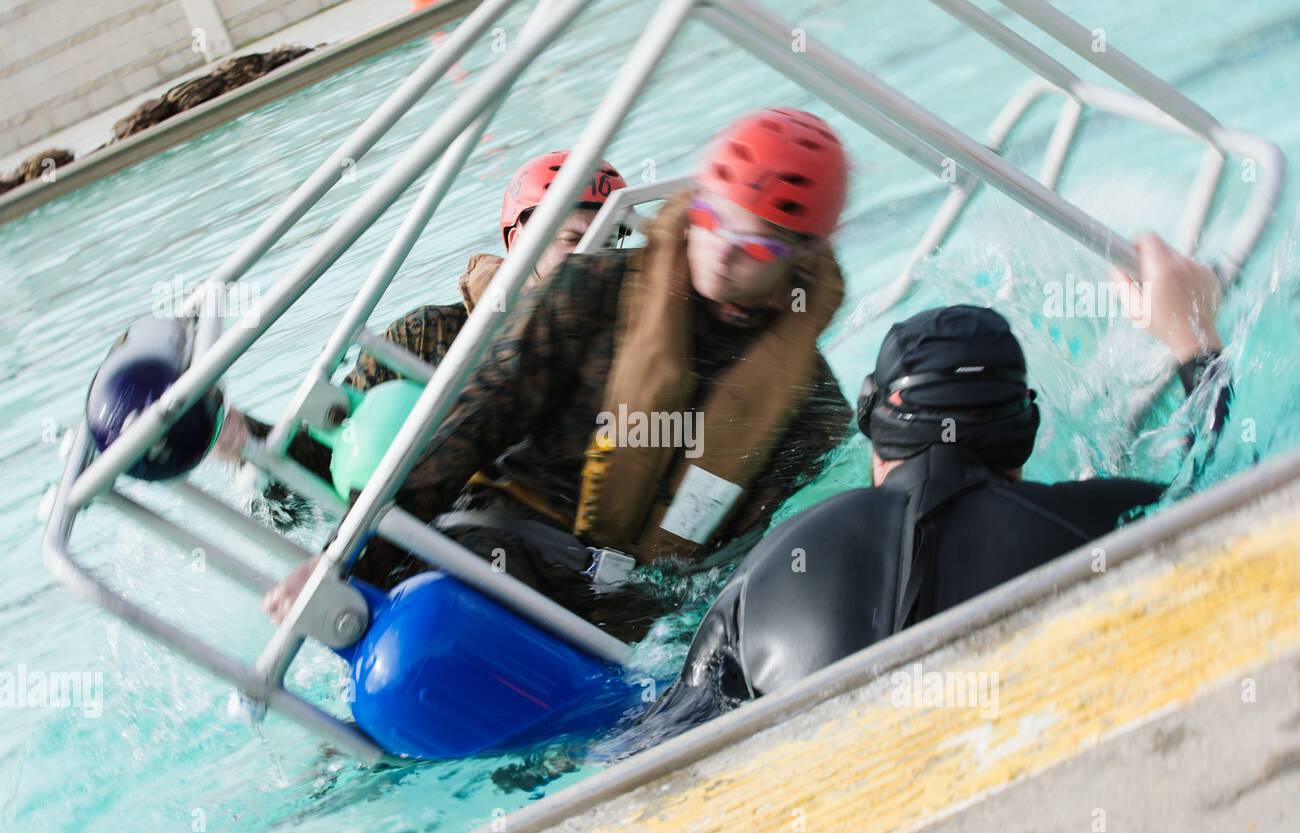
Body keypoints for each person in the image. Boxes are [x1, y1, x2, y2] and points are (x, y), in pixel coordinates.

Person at [263, 107, 858, 642]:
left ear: (799, 258)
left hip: (636, 607)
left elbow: (751, 551)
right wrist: (341, 560)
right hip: (500, 547)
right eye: (710, 220)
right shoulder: (586, 294)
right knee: (438, 638)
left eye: (754, 248)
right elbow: (464, 430)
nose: (721, 252)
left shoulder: (813, 406)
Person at [652, 232, 1232, 720]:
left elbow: (663, 751)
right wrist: (1195, 337)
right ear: (1022, 432)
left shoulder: (763, 575)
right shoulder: (1097, 521)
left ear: (873, 426)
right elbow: (1238, 500)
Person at [214, 150, 629, 463]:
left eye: (608, 243)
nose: (593, 261)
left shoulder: (638, 338)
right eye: (573, 241)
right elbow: (332, 453)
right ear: (518, 242)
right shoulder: (426, 337)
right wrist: (243, 439)